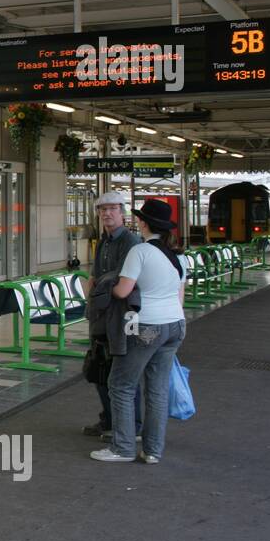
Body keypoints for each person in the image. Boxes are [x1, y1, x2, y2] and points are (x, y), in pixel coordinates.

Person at [90, 199, 188, 464]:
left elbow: (123, 290)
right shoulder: (178, 256)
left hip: (147, 326)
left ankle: (122, 447)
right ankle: (153, 450)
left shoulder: (141, 252)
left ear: (143, 223)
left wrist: (104, 288)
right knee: (156, 389)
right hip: (175, 325)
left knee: (120, 384)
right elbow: (180, 296)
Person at [82, 192, 142, 441]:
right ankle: (108, 419)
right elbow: (96, 277)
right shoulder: (104, 241)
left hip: (122, 315)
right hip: (101, 314)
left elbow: (120, 281)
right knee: (99, 367)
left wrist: (99, 288)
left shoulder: (131, 242)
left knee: (123, 371)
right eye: (102, 209)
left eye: (112, 209)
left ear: (123, 212)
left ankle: (131, 426)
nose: (107, 213)